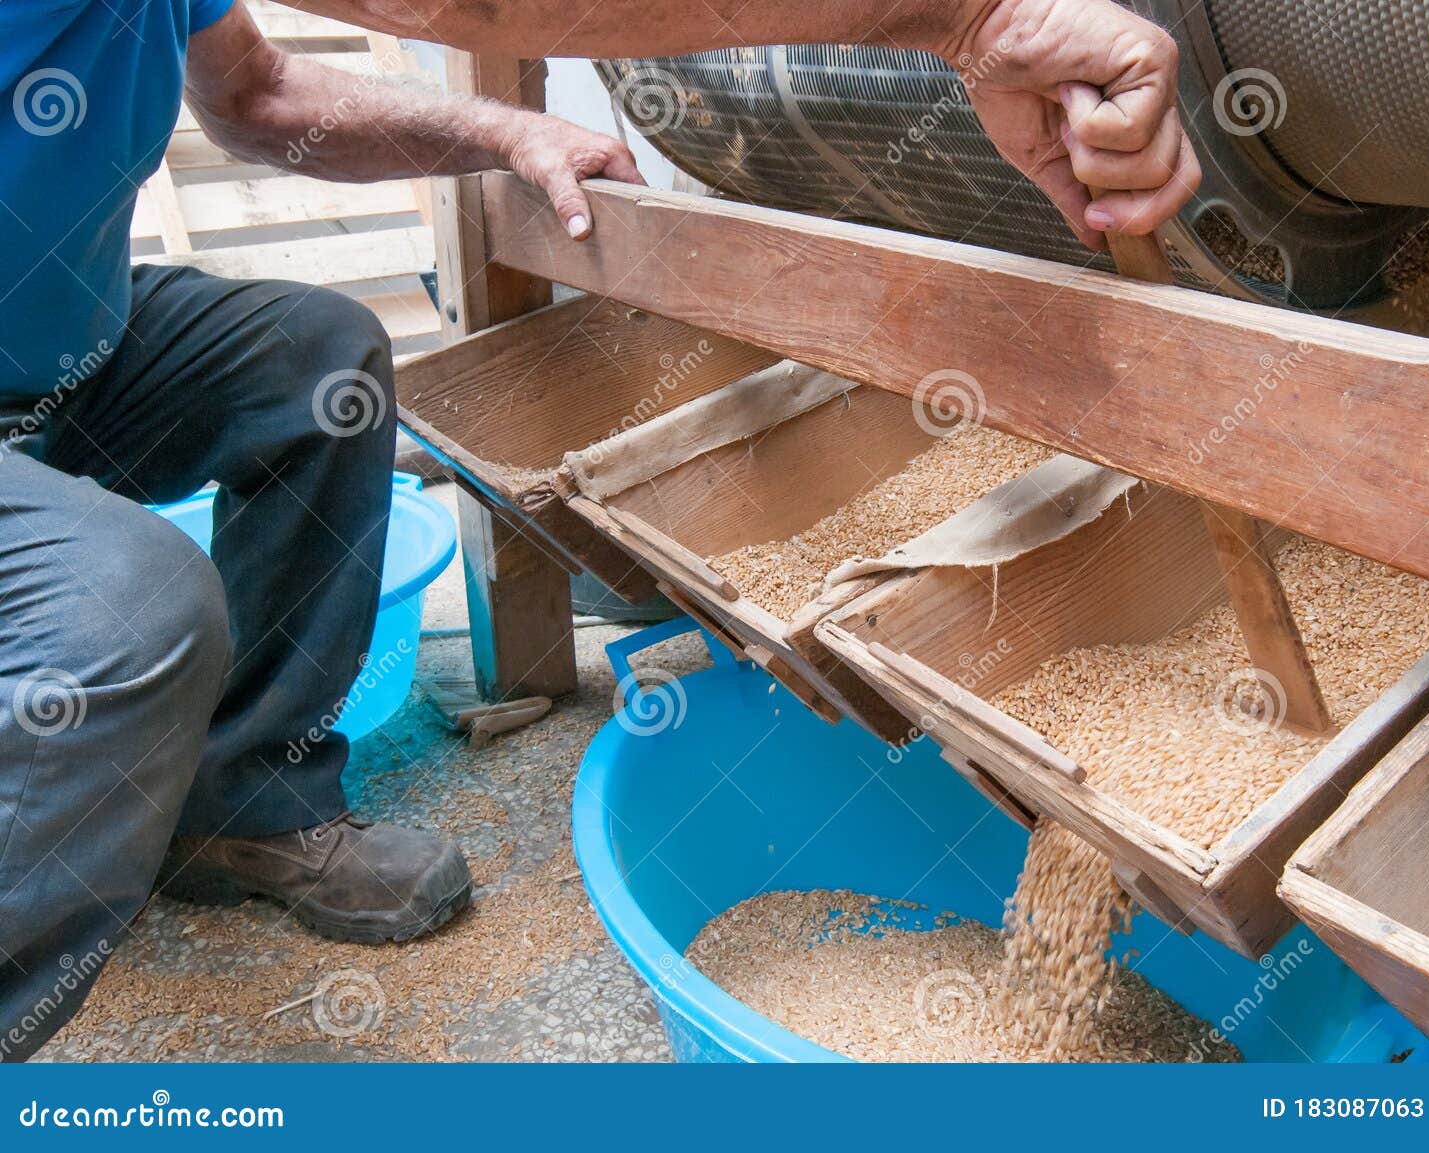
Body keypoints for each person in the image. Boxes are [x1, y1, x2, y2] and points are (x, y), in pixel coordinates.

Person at [0, 0, 1198, 1060]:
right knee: (135, 610)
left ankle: (239, 803)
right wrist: (967, 19)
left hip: (68, 352)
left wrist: (505, 132)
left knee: (323, 357)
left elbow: (260, 96)